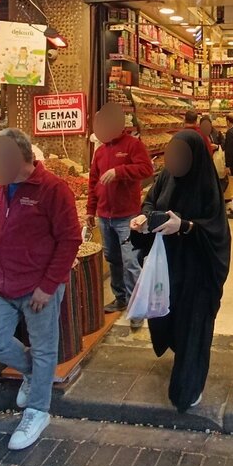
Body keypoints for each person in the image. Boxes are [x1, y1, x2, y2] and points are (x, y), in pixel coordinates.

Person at [0, 128, 81, 450]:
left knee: (46, 348)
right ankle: (35, 373)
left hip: (38, 287)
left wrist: (48, 286)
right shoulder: (3, 186)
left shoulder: (53, 189)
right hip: (2, 284)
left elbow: (70, 239)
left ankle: (38, 410)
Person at [130, 131, 231, 412]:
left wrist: (185, 226)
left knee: (193, 326)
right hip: (168, 267)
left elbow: (216, 231)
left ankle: (188, 387)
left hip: (197, 273)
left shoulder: (206, 185)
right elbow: (151, 202)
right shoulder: (166, 177)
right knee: (170, 319)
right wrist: (145, 217)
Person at [85, 102, 153, 320]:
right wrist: (90, 210)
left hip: (127, 216)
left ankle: (137, 304)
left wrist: (119, 171)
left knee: (131, 261)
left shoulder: (133, 145)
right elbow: (93, 181)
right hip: (105, 216)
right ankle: (121, 298)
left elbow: (146, 169)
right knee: (113, 259)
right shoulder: (100, 152)